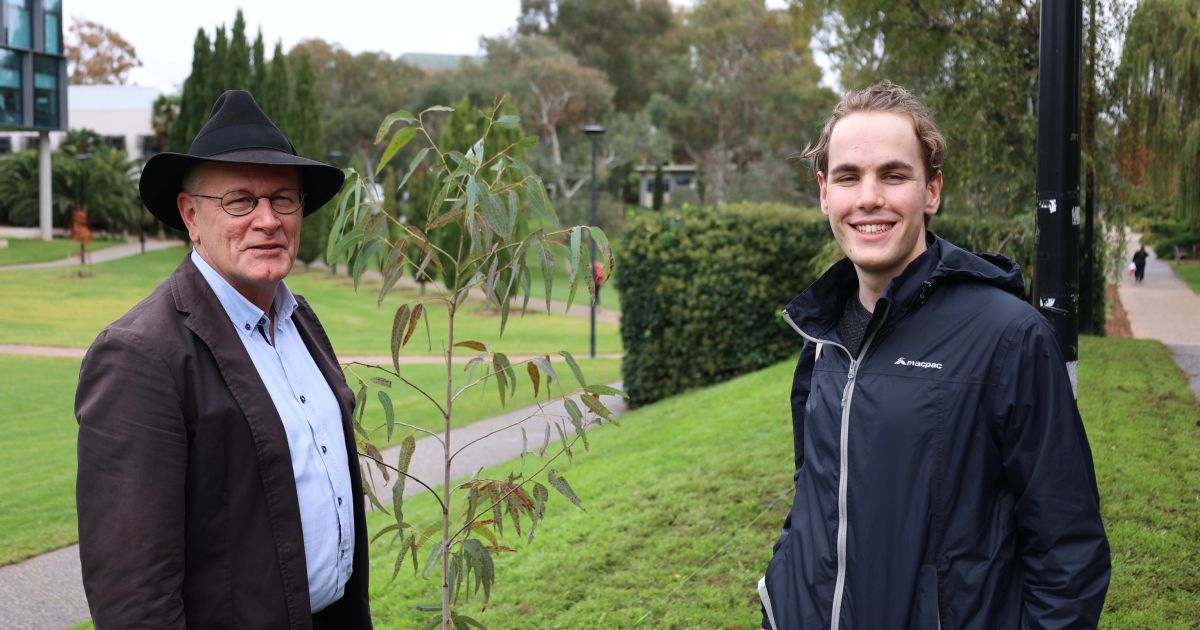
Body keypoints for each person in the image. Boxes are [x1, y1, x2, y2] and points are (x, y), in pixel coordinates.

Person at [758, 82, 1110, 629]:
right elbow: (815, 497)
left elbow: (1068, 551)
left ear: (931, 191)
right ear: (825, 192)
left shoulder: (1010, 338)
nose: (869, 197)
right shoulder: (820, 334)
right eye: (849, 176)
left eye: (894, 175)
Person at [75, 90, 372, 628]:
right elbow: (133, 596)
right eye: (239, 201)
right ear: (191, 215)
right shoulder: (140, 357)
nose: (268, 220)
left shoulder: (299, 320)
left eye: (284, 199)